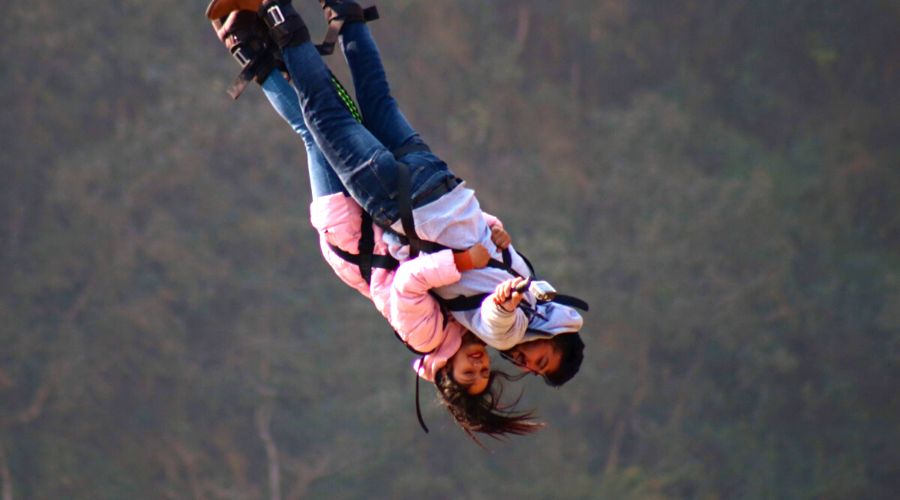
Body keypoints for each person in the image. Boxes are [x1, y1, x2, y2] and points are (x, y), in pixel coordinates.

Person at [206, 0, 586, 386]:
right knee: (323, 114)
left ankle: (304, 21)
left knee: (373, 98)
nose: (522, 363)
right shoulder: (510, 321)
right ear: (557, 338)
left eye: (475, 371)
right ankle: (272, 10)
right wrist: (492, 287)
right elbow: (493, 317)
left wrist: (492, 246)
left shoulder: (530, 283)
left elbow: (480, 251)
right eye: (540, 362)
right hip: (399, 204)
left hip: (436, 184)